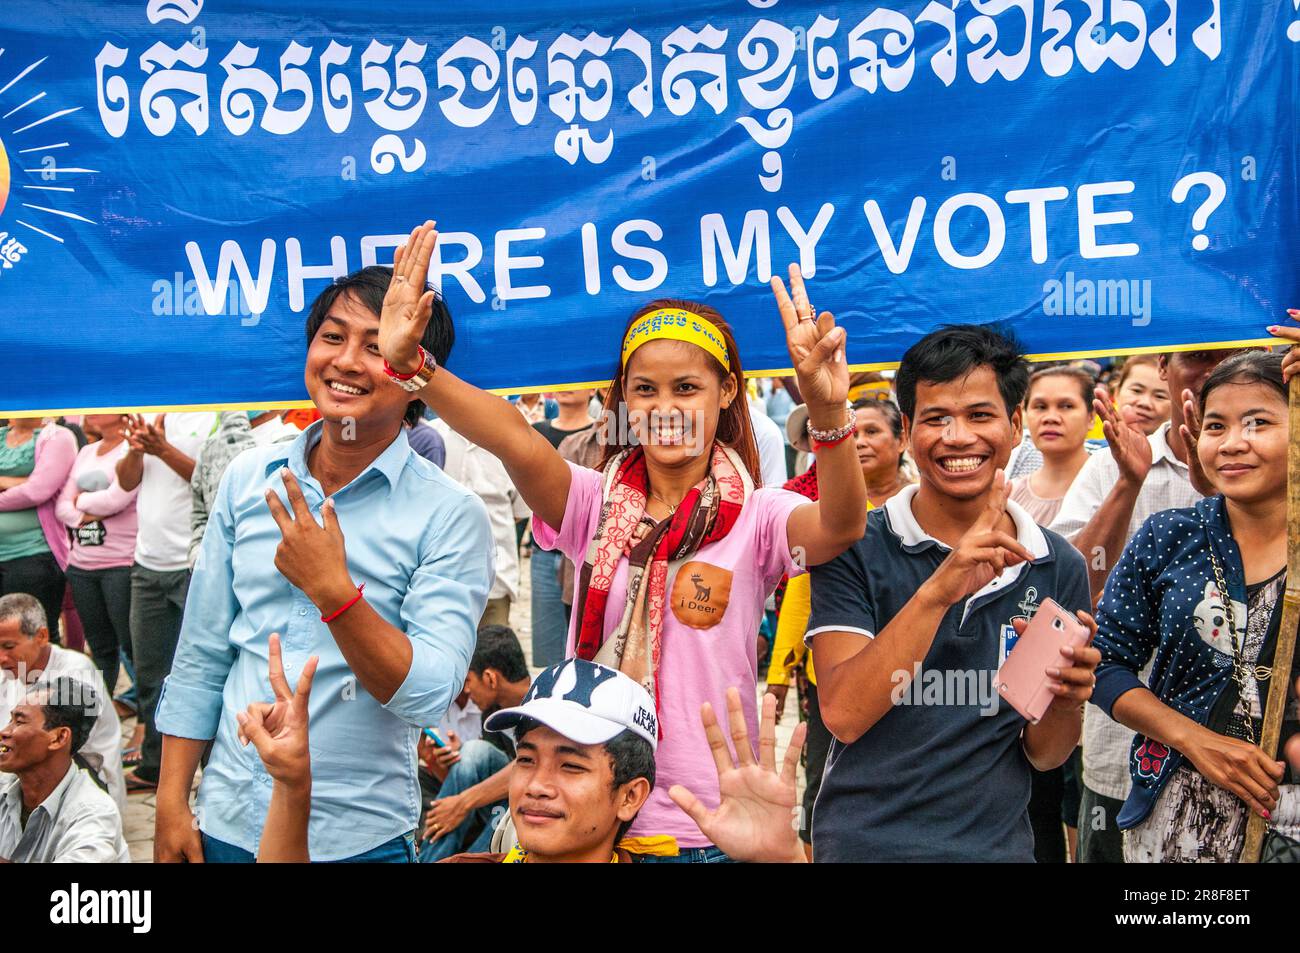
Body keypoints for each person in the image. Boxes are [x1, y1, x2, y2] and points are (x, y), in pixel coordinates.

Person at [377, 221, 866, 860]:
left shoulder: (761, 517)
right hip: (594, 822)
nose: (666, 407)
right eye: (646, 389)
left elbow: (841, 524)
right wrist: (414, 368)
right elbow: (513, 437)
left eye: (687, 388)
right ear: (624, 403)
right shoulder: (592, 502)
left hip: (709, 824)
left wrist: (829, 414)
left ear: (726, 395)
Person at [152, 265, 494, 863]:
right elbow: (203, 654)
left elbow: (427, 692)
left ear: (418, 375)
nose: (347, 362)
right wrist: (171, 799)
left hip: (356, 838)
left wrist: (335, 593)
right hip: (227, 820)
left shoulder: (450, 514)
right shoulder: (246, 481)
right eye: (333, 337)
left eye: (378, 346)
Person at [805, 324, 1100, 862]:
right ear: (910, 431)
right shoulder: (855, 546)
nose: (958, 437)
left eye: (980, 416)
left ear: (1015, 427)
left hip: (997, 850)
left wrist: (1067, 703)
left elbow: (1045, 754)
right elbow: (844, 713)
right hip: (863, 847)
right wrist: (939, 591)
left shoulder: (1059, 564)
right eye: (936, 418)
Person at [1093, 351, 1296, 861]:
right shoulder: (1169, 537)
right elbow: (1105, 663)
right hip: (1175, 823)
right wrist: (1193, 740)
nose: (1232, 443)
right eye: (1215, 425)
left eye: (1259, 422)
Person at [1049, 347, 1245, 862]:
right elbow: (1067, 595)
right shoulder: (1109, 465)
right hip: (1124, 752)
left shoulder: (1273, 475)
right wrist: (1127, 483)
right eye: (1198, 355)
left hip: (1249, 765)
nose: (1212, 371)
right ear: (1163, 366)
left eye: (1235, 355)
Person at [766, 393, 911, 856]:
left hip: (916, 678)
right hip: (831, 676)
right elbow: (800, 594)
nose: (861, 442)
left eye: (872, 431)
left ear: (901, 437)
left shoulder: (931, 502)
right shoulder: (823, 513)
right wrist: (777, 675)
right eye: (853, 432)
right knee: (824, 781)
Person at [112, 410, 217, 792]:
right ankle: (155, 765)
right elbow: (126, 482)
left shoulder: (215, 417)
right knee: (150, 672)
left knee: (201, 672)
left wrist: (163, 449)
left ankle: (210, 773)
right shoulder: (155, 414)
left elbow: (213, 484)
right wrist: (138, 451)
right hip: (146, 564)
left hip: (193, 566)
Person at [0, 593, 124, 812]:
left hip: (80, 789)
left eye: (9, 646)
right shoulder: (7, 673)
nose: (1, 657)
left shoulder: (77, 674)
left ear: (41, 636)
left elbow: (56, 751)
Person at [419, 624, 531, 862]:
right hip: (501, 805)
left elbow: (529, 767)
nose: (467, 690)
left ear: (490, 678)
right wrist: (448, 762)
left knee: (475, 752)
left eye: (469, 680)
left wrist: (462, 803)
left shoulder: (542, 705)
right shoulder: (490, 713)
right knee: (471, 754)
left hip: (527, 802)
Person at [55, 414, 139, 704]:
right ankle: (96, 718)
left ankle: (143, 724)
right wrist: (86, 512)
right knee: (100, 649)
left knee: (132, 647)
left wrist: (82, 502)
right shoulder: (87, 451)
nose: (92, 409)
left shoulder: (131, 450)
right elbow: (62, 506)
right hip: (81, 566)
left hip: (121, 565)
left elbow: (118, 498)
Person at [0, 676, 130, 862]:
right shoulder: (4, 788)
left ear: (59, 738)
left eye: (19, 722)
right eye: (10, 720)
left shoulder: (93, 812)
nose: (4, 731)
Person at [431, 415, 530, 629]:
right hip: (437, 579)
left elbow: (520, 511)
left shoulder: (512, 441)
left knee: (491, 655)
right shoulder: (432, 436)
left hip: (495, 578)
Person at [531, 390, 596, 666]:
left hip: (585, 551)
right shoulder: (534, 434)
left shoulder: (605, 436)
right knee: (547, 648)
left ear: (593, 388)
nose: (571, 386)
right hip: (546, 551)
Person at [188, 409, 298, 567]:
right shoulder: (211, 445)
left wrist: (235, 425)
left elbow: (251, 506)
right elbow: (200, 515)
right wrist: (201, 561)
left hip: (265, 574)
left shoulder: (291, 443)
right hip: (215, 572)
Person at [0, 417, 76, 644]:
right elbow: (33, 485)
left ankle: (43, 681)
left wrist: (17, 482)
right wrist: (21, 480)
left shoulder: (58, 437)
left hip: (33, 555)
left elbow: (37, 491)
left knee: (32, 640)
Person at [1009, 367, 1095, 528]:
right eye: (1040, 407)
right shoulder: (1009, 496)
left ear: (1091, 417)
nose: (1050, 418)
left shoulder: (1112, 487)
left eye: (1067, 406)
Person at [1111, 355, 1172, 436]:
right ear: (1117, 392)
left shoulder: (1191, 447)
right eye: (1137, 390)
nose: (1145, 403)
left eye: (1159, 396)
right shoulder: (1092, 448)